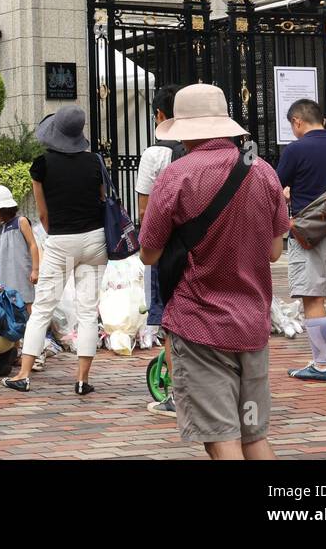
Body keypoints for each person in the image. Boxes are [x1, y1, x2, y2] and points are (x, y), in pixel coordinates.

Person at [139, 84, 287, 460]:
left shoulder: (176, 176)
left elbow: (148, 254)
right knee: (254, 435)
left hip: (199, 322)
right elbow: (274, 250)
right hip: (252, 322)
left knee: (221, 437)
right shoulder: (263, 171)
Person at [2, 105, 107, 396]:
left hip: (62, 239)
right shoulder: (95, 162)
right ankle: (82, 380)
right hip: (96, 240)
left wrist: (57, 235)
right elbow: (101, 200)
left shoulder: (41, 164)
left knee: (43, 308)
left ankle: (23, 375)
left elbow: (44, 214)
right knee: (88, 311)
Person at [277, 98, 326, 382]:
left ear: (298, 121)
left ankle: (321, 365)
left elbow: (276, 185)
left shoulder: (295, 150)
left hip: (308, 234)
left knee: (313, 300)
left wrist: (288, 197)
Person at [136, 83, 184, 416]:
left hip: (167, 251)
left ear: (159, 115)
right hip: (204, 247)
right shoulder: (206, 151)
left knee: (169, 321)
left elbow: (144, 211)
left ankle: (177, 396)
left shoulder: (155, 155)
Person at [0, 183, 41, 305]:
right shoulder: (0, 230)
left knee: (25, 302)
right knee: (7, 305)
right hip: (3, 276)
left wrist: (35, 270)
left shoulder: (21, 222)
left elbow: (33, 245)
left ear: (4, 208)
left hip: (20, 273)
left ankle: (31, 324)